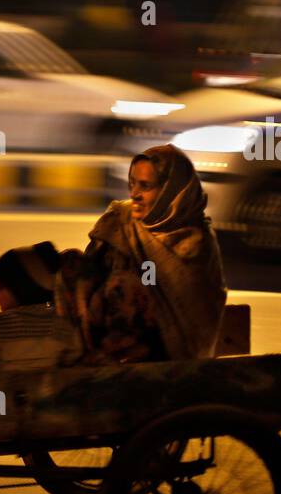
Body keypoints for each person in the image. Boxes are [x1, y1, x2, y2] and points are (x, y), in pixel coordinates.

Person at [56, 144, 226, 364]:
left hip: (162, 352)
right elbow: (90, 272)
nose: (134, 194)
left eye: (145, 186)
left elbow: (194, 317)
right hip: (104, 336)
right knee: (71, 262)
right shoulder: (120, 219)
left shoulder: (195, 243)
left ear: (171, 191)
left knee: (124, 284)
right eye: (132, 184)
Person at [0, 242, 84, 373]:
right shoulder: (62, 324)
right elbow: (73, 358)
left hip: (2, 392)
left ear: (19, 289)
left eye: (0, 286)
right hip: (51, 391)